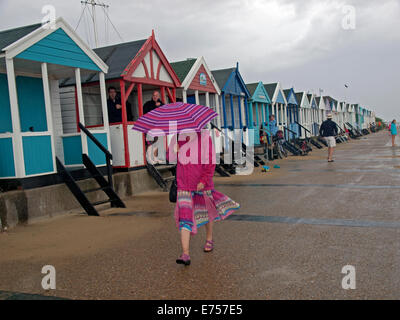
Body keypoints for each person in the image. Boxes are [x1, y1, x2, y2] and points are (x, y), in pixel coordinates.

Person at [168, 130, 240, 266]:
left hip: (202, 184)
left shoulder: (205, 137)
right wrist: (173, 150)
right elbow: (170, 159)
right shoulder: (177, 137)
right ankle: (185, 254)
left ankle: (209, 238)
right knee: (185, 218)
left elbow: (211, 162)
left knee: (206, 213)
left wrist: (204, 180)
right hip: (184, 185)